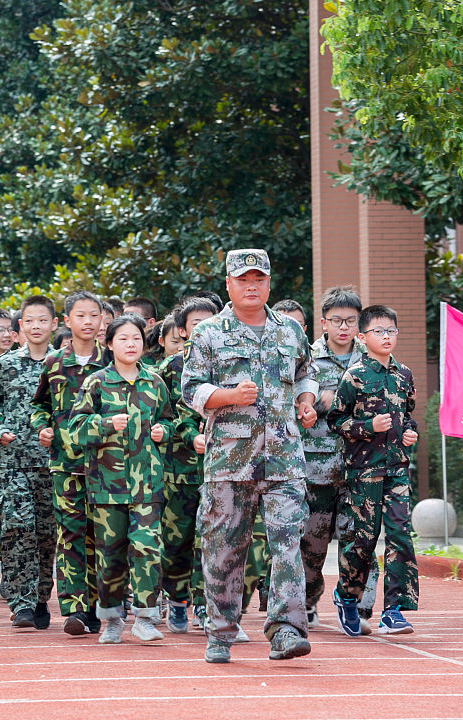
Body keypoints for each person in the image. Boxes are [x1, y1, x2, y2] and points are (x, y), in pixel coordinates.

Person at [181, 248, 319, 664]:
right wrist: (228, 396)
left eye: (258, 278)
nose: (251, 285)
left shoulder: (290, 332)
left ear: (269, 283)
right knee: (224, 547)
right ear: (229, 284)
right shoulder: (208, 332)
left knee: (287, 544)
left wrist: (307, 402)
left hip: (285, 460)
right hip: (229, 463)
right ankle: (220, 632)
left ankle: (286, 630)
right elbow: (191, 390)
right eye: (243, 279)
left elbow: (305, 373)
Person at [69, 314, 174, 644]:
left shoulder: (155, 382)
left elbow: (171, 423)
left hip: (147, 484)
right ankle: (112, 616)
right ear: (110, 343)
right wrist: (103, 424)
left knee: (147, 549)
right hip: (106, 485)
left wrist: (163, 432)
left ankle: (146, 616)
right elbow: (74, 431)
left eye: (137, 339)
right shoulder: (96, 383)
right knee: (110, 554)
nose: (131, 344)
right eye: (124, 338)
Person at [327, 304, 420, 636]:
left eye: (391, 331)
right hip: (363, 470)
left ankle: (394, 610)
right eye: (378, 331)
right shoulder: (353, 376)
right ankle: (347, 597)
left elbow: (408, 416)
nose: (386, 337)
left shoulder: (404, 375)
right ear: (362, 337)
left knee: (400, 536)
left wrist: (411, 433)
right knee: (363, 540)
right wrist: (368, 426)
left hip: (397, 468)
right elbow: (335, 421)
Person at [31, 290, 109, 636]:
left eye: (94, 315)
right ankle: (75, 608)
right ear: (67, 321)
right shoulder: (53, 363)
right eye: (81, 316)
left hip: (107, 466)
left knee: (102, 537)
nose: (88, 322)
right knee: (71, 536)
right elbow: (39, 406)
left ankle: (98, 604)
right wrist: (43, 427)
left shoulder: (112, 362)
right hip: (65, 465)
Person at [300, 286, 377, 632]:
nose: (344, 327)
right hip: (316, 468)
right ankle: (307, 599)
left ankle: (355, 602)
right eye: (336, 320)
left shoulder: (372, 357)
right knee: (312, 546)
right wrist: (321, 402)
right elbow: (294, 401)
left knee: (359, 540)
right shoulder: (307, 357)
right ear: (323, 322)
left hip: (361, 467)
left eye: (350, 320)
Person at [0, 295, 58, 630]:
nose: (35, 326)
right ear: (19, 328)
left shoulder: (62, 365)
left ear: (54, 324)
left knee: (46, 534)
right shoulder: (3, 366)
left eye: (42, 320)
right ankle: (20, 603)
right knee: (17, 530)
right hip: (12, 462)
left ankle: (41, 595)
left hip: (53, 463)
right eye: (29, 320)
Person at [155, 297, 216, 633]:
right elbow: (165, 415)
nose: (204, 329)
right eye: (196, 324)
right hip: (178, 471)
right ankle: (177, 600)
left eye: (210, 321)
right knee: (177, 543)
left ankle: (207, 606)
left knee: (212, 542)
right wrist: (187, 432)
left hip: (220, 470)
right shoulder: (169, 369)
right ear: (182, 330)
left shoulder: (229, 366)